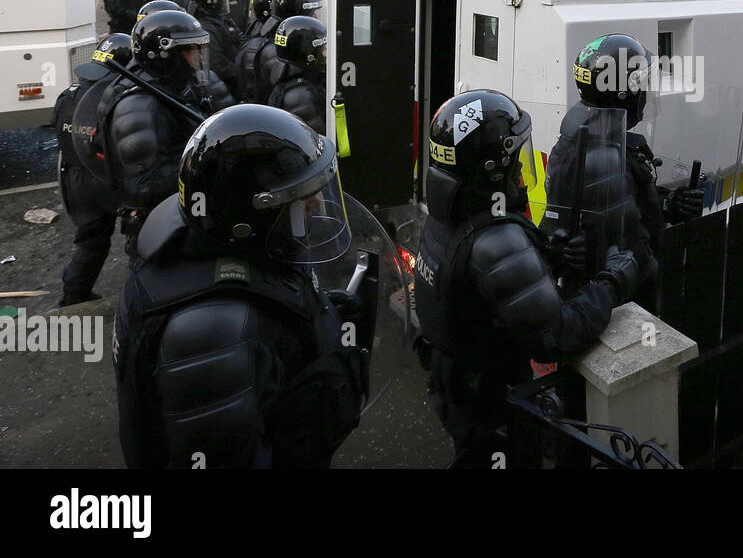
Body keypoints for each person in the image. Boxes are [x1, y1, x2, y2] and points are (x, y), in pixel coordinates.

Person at [114, 104, 371, 467]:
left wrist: (317, 316)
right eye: (299, 196)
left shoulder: (227, 252)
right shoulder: (211, 331)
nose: (315, 203)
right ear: (248, 217)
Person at [413, 90, 641, 467]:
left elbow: (486, 292)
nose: (521, 171)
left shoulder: (449, 213)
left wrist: (549, 256)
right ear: (492, 169)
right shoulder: (496, 241)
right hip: (492, 401)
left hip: (453, 380)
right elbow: (557, 336)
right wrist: (612, 282)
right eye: (515, 159)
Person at [544, 34, 704, 285]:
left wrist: (668, 204)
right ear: (625, 92)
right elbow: (633, 249)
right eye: (643, 84)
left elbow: (622, 209)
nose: (647, 92)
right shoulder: (602, 159)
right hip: (624, 302)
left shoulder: (590, 136)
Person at [96, 11, 214, 258]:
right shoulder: (139, 108)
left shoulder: (166, 86)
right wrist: (208, 169)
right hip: (159, 225)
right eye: (190, 50)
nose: (197, 58)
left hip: (179, 210)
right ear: (164, 56)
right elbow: (145, 185)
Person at [51, 34, 131, 306]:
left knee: (89, 242)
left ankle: (73, 296)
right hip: (108, 178)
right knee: (139, 239)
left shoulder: (69, 94)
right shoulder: (120, 97)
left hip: (75, 179)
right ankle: (139, 297)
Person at [248, 0, 323, 104]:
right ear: (298, 12)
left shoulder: (270, 37)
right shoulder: (276, 51)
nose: (316, 17)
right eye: (312, 12)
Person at [268, 16, 327, 135]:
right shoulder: (301, 97)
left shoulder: (289, 81)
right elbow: (322, 138)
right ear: (309, 55)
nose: (325, 54)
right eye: (322, 49)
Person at [189, 0, 243, 99]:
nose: (224, 2)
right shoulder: (206, 29)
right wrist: (240, 72)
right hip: (225, 86)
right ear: (209, 2)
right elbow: (217, 65)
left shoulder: (217, 19)